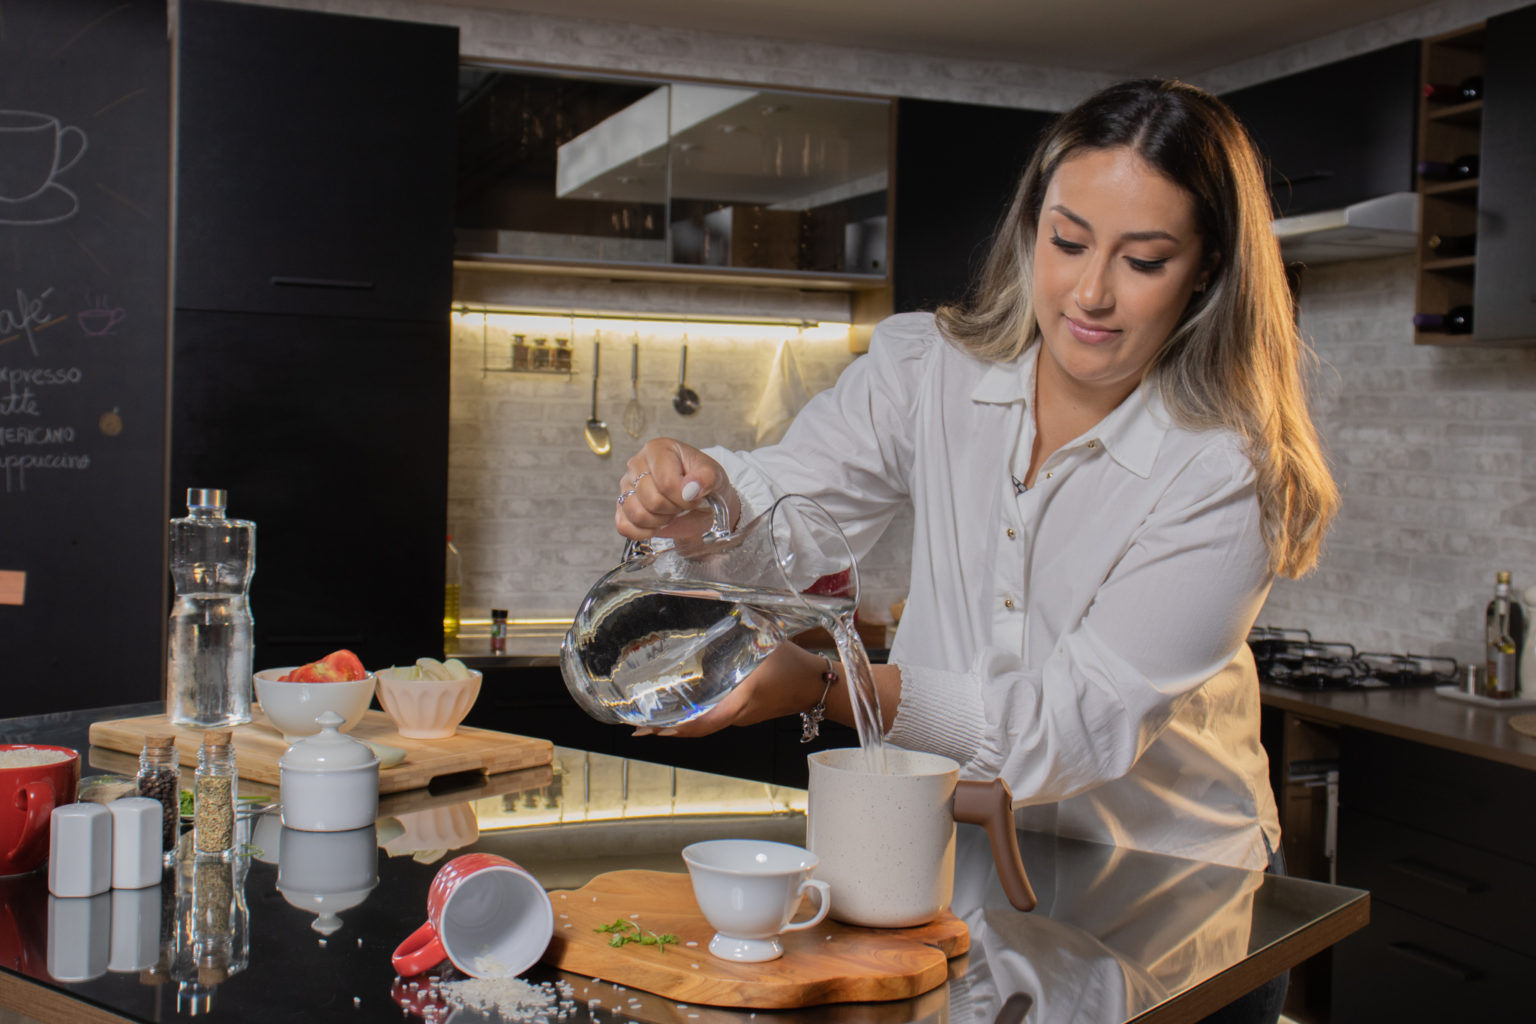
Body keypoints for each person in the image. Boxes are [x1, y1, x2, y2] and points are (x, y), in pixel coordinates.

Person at [614, 78, 1335, 881]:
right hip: (950, 852)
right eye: (1067, 243)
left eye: (1143, 260)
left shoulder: (1223, 470)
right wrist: (706, 504)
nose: (1091, 293)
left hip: (1165, 880)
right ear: (1030, 231)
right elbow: (788, 525)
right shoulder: (930, 368)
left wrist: (823, 689)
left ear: (1206, 272)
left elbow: (1067, 731)